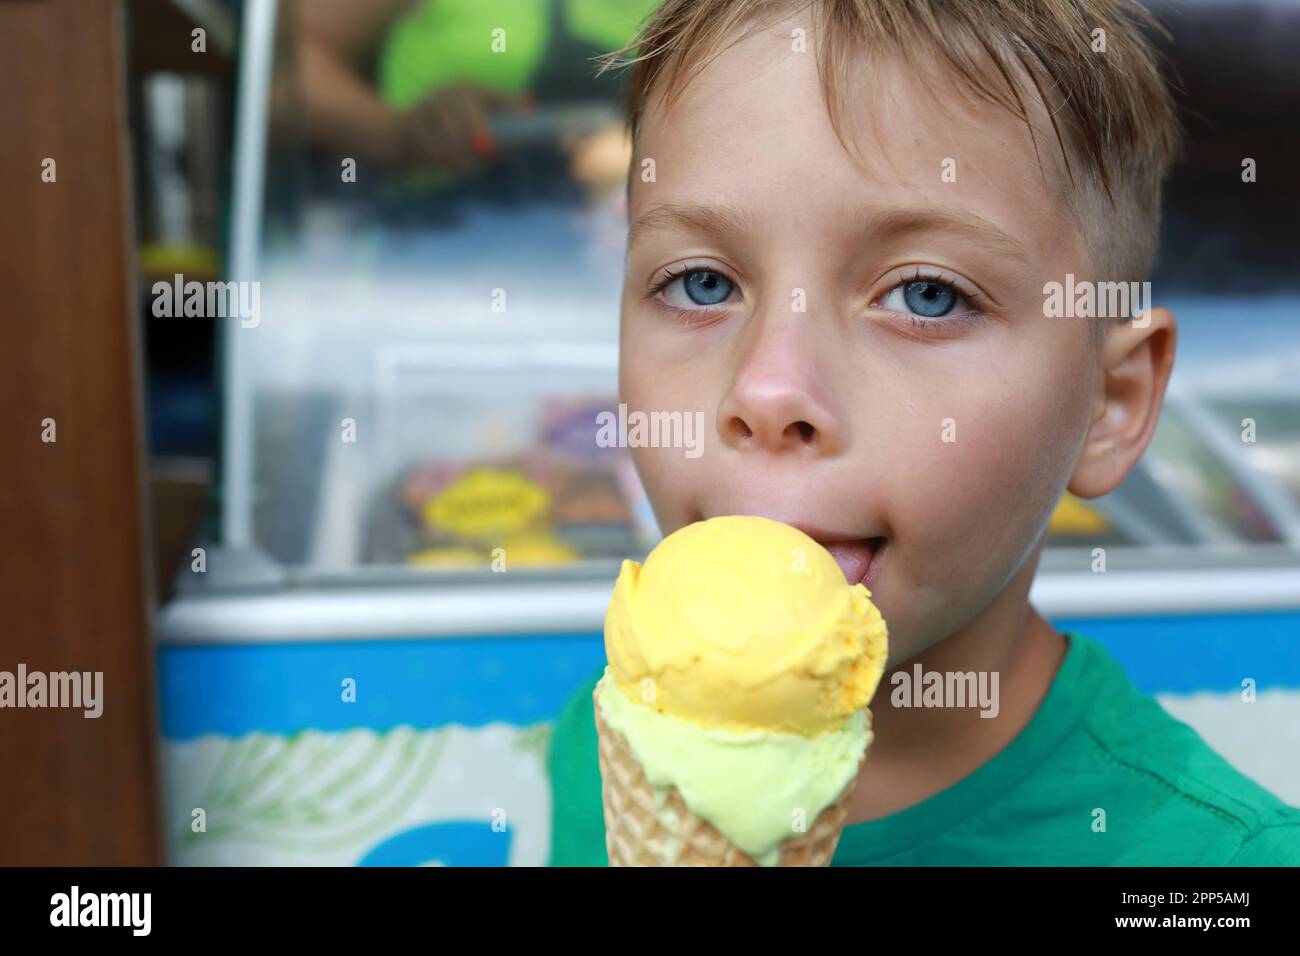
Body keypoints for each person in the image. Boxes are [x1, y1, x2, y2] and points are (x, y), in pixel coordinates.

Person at [546, 0, 1300, 865]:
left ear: (1109, 402)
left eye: (925, 295)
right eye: (702, 284)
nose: (768, 388)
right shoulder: (609, 739)